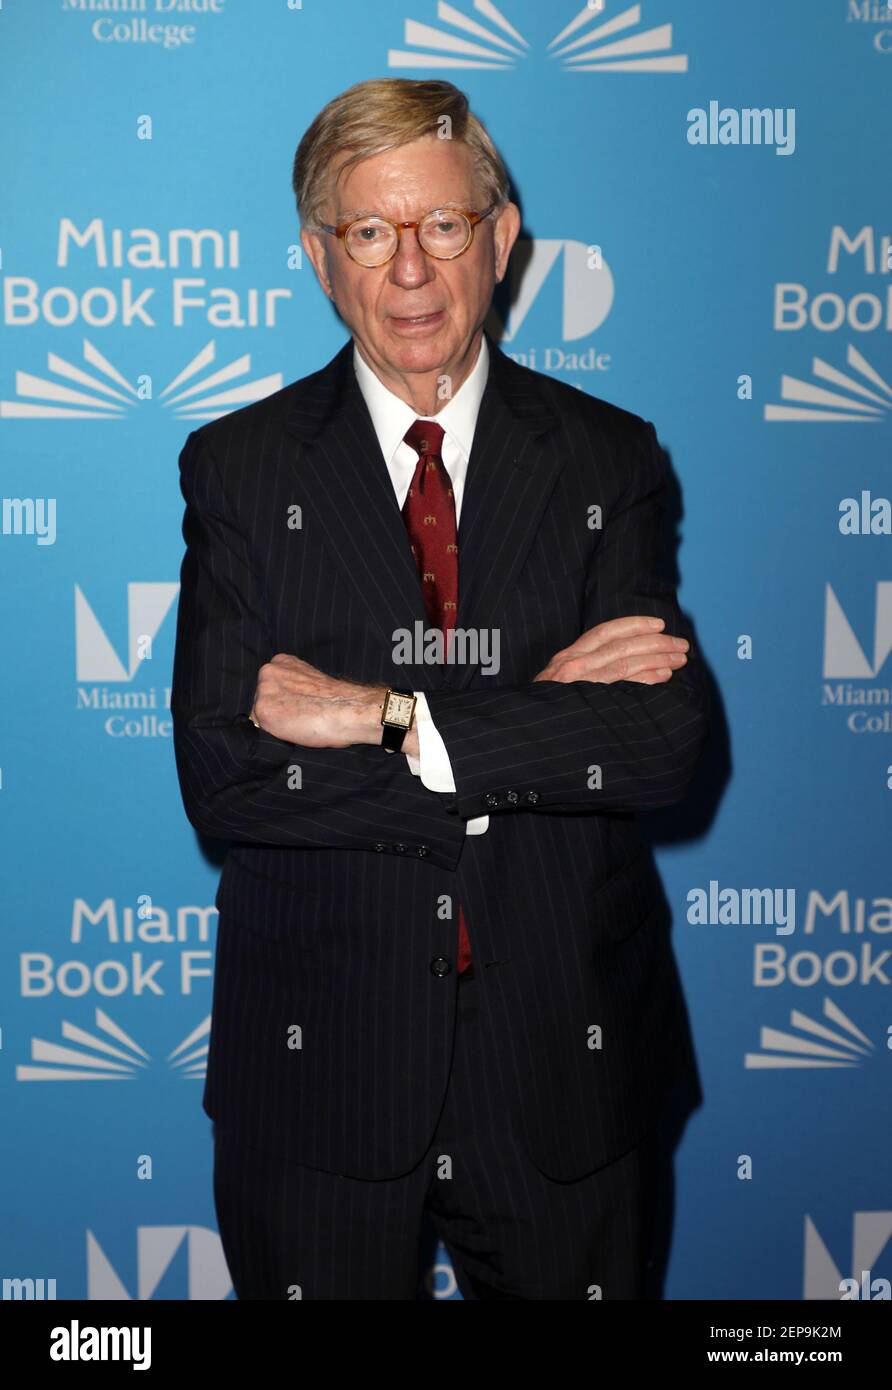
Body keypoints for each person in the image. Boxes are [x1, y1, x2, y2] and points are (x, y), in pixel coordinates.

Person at [170, 77, 708, 1301]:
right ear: (319, 255)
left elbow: (660, 740)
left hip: (562, 1067)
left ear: (502, 239)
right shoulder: (241, 469)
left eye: (443, 227)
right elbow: (225, 770)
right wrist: (537, 722)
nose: (410, 270)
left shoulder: (606, 457)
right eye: (370, 231)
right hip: (321, 1071)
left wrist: (390, 714)